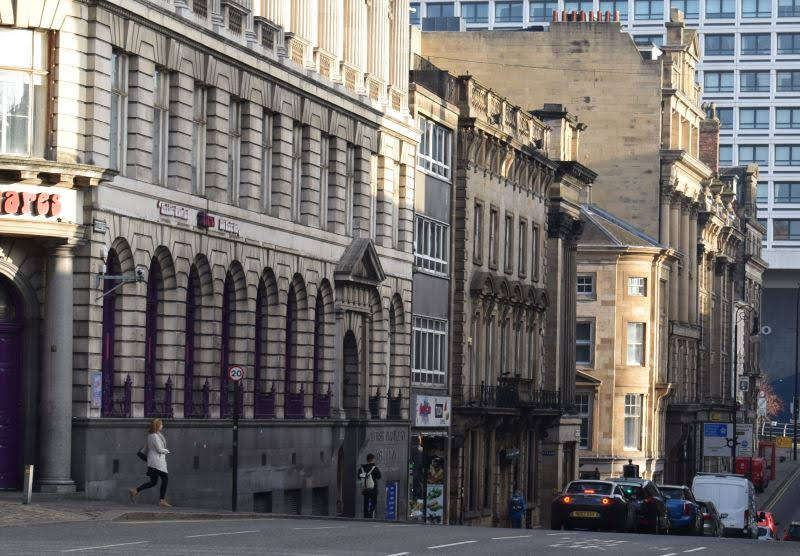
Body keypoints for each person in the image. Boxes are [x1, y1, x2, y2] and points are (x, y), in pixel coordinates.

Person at [129, 418, 171, 507]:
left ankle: (135, 491)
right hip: (157, 463)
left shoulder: (155, 435)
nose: (162, 426)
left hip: (154, 462)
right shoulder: (154, 436)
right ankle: (162, 500)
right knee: (165, 478)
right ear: (157, 426)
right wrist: (167, 451)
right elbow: (159, 449)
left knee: (153, 482)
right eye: (161, 424)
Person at [358, 453, 381, 518]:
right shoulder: (375, 468)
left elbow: (359, 477)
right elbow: (379, 476)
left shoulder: (362, 468)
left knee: (366, 502)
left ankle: (366, 516)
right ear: (373, 459)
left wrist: (364, 476)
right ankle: (370, 513)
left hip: (365, 488)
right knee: (374, 502)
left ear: (367, 459)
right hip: (373, 488)